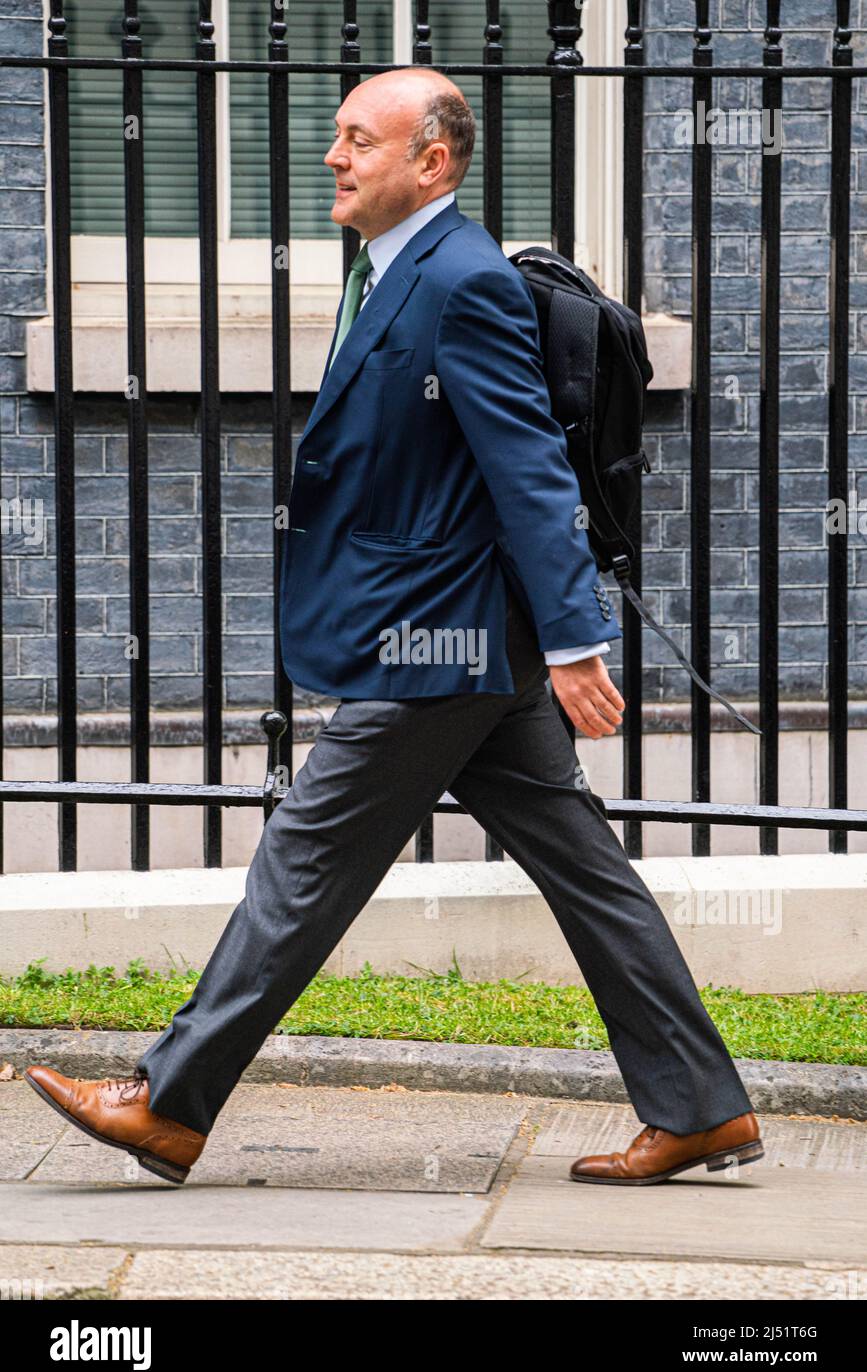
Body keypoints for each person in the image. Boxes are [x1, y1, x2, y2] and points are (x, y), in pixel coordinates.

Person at [26, 67, 762, 1188]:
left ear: (433, 161)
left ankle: (169, 1103)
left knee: (305, 854)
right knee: (586, 871)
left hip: (447, 642)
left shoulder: (460, 280)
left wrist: (575, 641)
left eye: (359, 140)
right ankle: (702, 1106)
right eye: (338, 136)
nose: (334, 155)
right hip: (468, 638)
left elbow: (528, 469)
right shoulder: (392, 265)